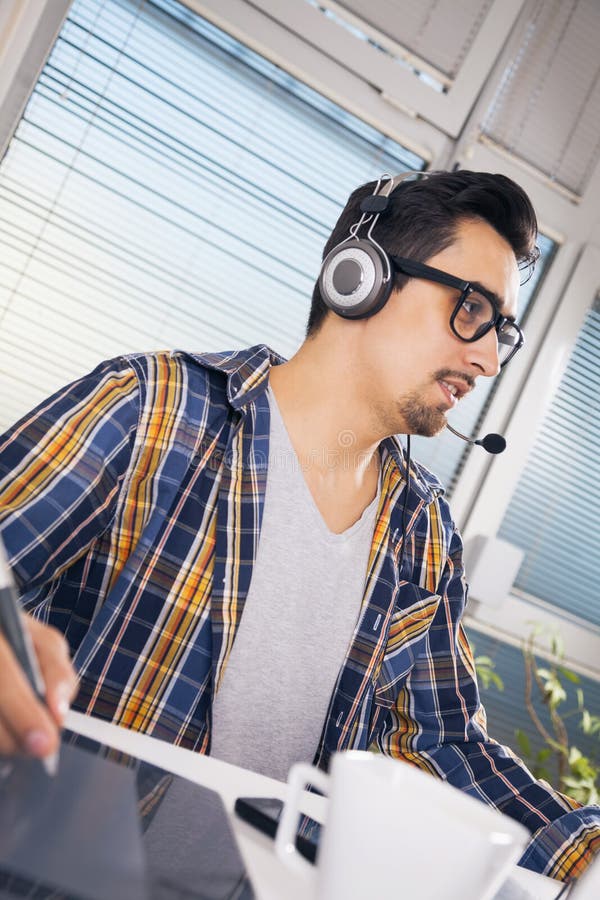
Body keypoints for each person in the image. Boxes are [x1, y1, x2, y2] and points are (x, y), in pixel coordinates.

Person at [0, 170, 598, 882]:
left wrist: (585, 853)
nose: (489, 357)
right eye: (471, 309)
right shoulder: (154, 410)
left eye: (503, 330)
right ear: (361, 279)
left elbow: (442, 742)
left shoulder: (423, 530)